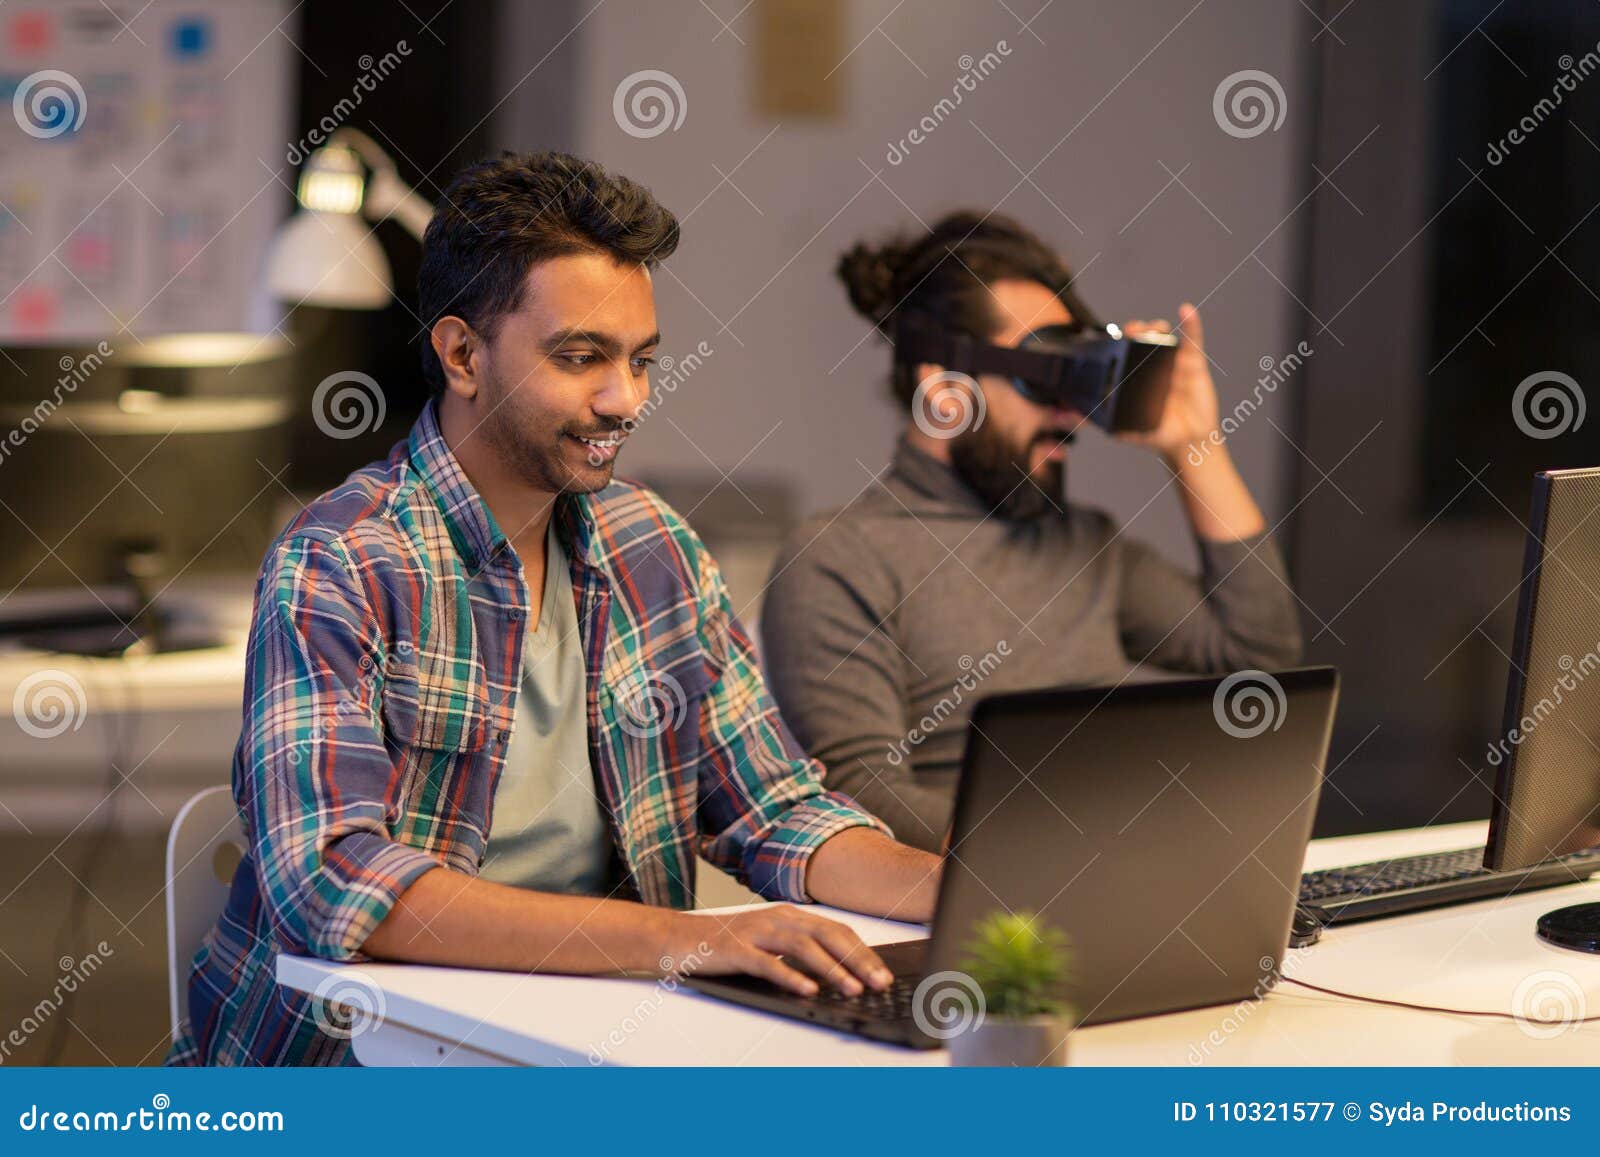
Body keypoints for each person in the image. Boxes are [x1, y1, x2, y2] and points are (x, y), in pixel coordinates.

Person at [168, 152, 940, 1066]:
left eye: (640, 360)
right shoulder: (339, 562)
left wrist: (974, 896)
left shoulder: (653, 548)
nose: (625, 398)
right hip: (356, 1070)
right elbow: (339, 886)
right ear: (462, 354)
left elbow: (774, 809)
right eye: (581, 358)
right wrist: (686, 941)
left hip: (586, 1050)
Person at [759, 211, 1303, 853]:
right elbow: (859, 793)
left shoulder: (1087, 544)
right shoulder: (839, 557)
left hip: (1113, 888)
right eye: (1043, 376)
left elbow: (1257, 658)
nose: (1070, 413)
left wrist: (1195, 446)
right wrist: (1066, 861)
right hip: (968, 922)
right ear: (944, 387)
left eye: (1078, 379)